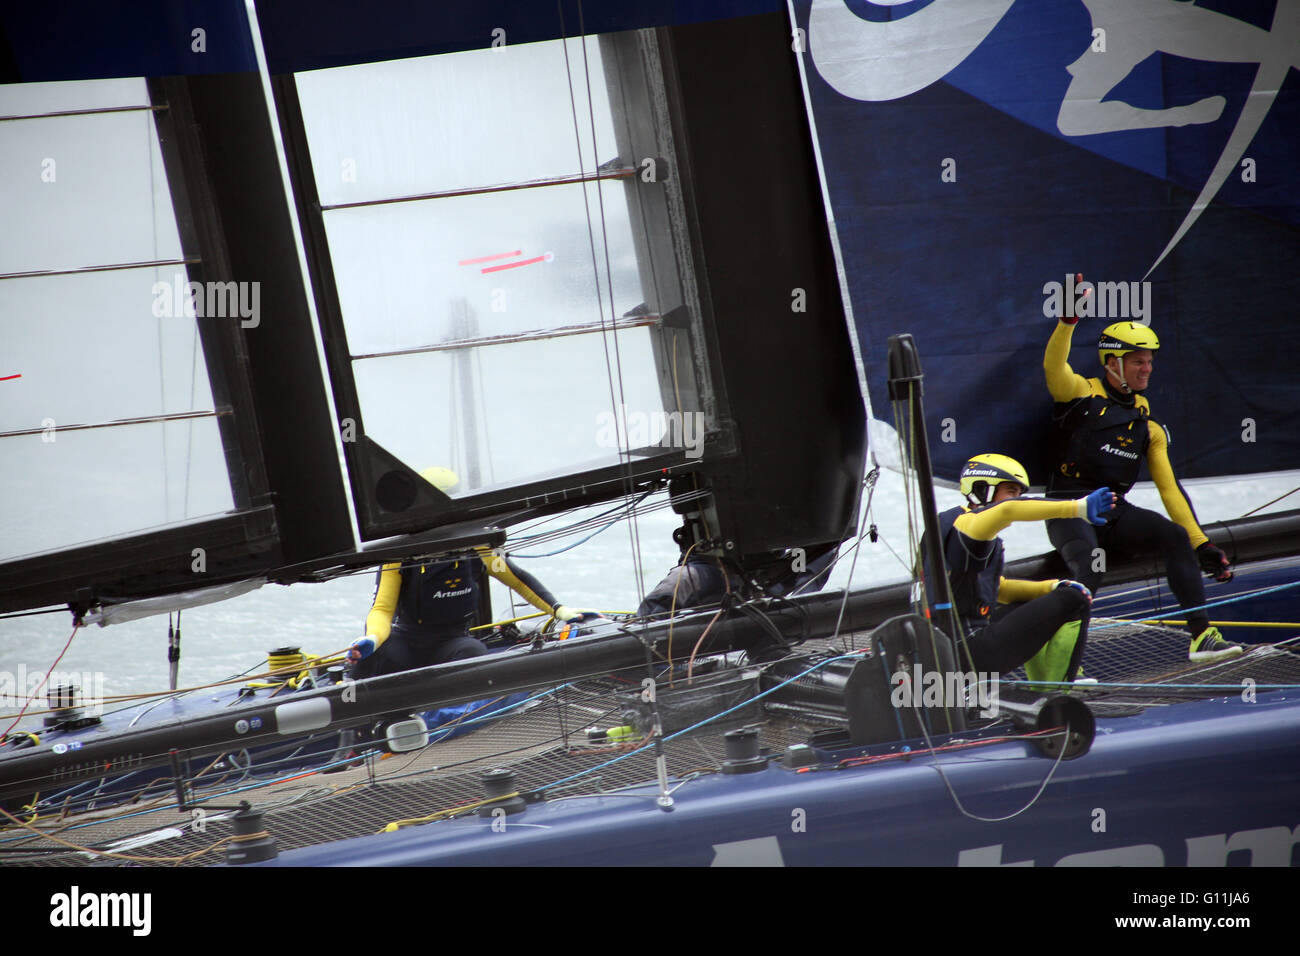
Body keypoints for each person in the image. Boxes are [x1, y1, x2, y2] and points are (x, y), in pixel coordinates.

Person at [1043, 311, 1241, 662]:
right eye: (1138, 362)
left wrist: (1201, 543)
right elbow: (1053, 367)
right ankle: (1062, 666)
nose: (1147, 369)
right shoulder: (1078, 394)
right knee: (1091, 566)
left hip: (1112, 512)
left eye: (1149, 362)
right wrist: (1068, 322)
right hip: (1068, 508)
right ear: (1113, 363)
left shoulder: (1148, 426)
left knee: (1174, 536)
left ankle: (1202, 638)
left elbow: (1170, 490)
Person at [347, 468, 581, 678]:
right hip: (407, 641)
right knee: (372, 658)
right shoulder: (401, 554)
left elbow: (518, 580)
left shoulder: (478, 547)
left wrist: (559, 609)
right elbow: (381, 609)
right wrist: (373, 639)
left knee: (474, 653)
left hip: (452, 642)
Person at [929, 454, 1114, 686]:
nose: (1017, 499)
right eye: (1011, 491)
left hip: (939, 654)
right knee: (1077, 599)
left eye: (1019, 494)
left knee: (1043, 599)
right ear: (982, 489)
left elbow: (999, 590)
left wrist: (1052, 587)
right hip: (970, 654)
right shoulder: (969, 526)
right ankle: (1060, 691)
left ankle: (1040, 689)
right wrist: (1078, 507)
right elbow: (1008, 510)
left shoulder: (944, 525)